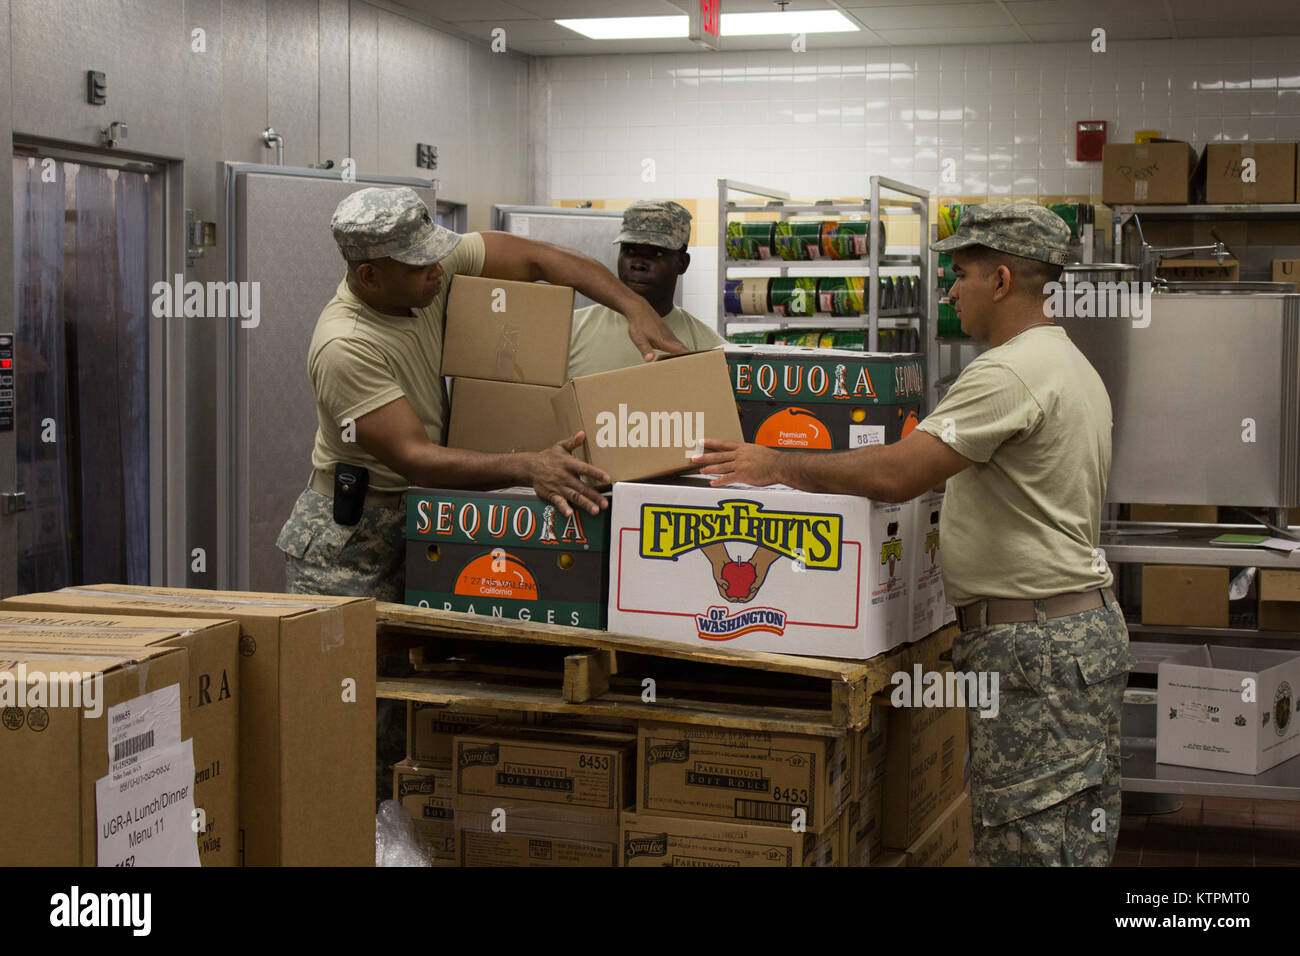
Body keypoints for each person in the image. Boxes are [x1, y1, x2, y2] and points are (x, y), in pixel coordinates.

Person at [692, 202, 1135, 867]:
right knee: (1066, 840)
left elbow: (901, 472)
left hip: (1035, 650)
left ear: (1003, 281)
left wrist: (775, 462)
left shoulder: (1009, 371)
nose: (952, 292)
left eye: (960, 274)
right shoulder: (1066, 363)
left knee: (1031, 845)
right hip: (1061, 640)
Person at [277, 186, 688, 603]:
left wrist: (634, 307)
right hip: (355, 540)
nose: (439, 270)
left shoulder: (421, 276)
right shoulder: (346, 345)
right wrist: (527, 466)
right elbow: (414, 457)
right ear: (370, 276)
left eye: (438, 254)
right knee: (351, 662)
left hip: (424, 515)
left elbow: (539, 257)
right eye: (422, 265)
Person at [566, 200, 725, 378]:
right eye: (630, 251)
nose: (638, 264)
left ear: (682, 263)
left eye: (656, 253)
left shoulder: (708, 349)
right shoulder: (569, 331)